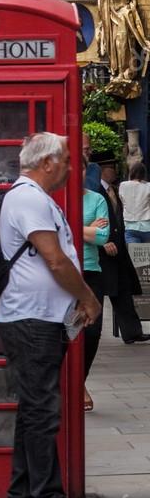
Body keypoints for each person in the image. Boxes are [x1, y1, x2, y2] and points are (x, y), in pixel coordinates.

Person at [0, 132, 99, 498]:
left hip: (37, 318)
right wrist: (88, 298)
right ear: (48, 163)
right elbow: (55, 260)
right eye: (68, 161)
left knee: (33, 410)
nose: (72, 168)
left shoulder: (34, 198)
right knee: (42, 412)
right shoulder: (29, 198)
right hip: (32, 320)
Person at [95, 158, 148, 343]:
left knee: (123, 289)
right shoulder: (96, 190)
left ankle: (132, 332)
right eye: (112, 169)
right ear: (103, 170)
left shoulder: (115, 189)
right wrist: (104, 241)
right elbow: (98, 220)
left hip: (119, 249)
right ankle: (92, 331)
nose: (115, 172)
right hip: (103, 250)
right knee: (98, 293)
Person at [81, 184, 113, 411]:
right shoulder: (53, 196)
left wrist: (72, 229)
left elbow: (102, 237)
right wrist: (86, 229)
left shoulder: (96, 199)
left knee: (92, 333)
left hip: (91, 271)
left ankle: (78, 382)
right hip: (63, 273)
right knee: (65, 333)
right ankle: (71, 386)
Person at [120, 162, 150, 244]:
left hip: (130, 227)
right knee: (147, 256)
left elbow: (123, 201)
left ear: (131, 172)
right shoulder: (148, 186)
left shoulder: (123, 185)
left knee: (135, 257)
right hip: (147, 227)